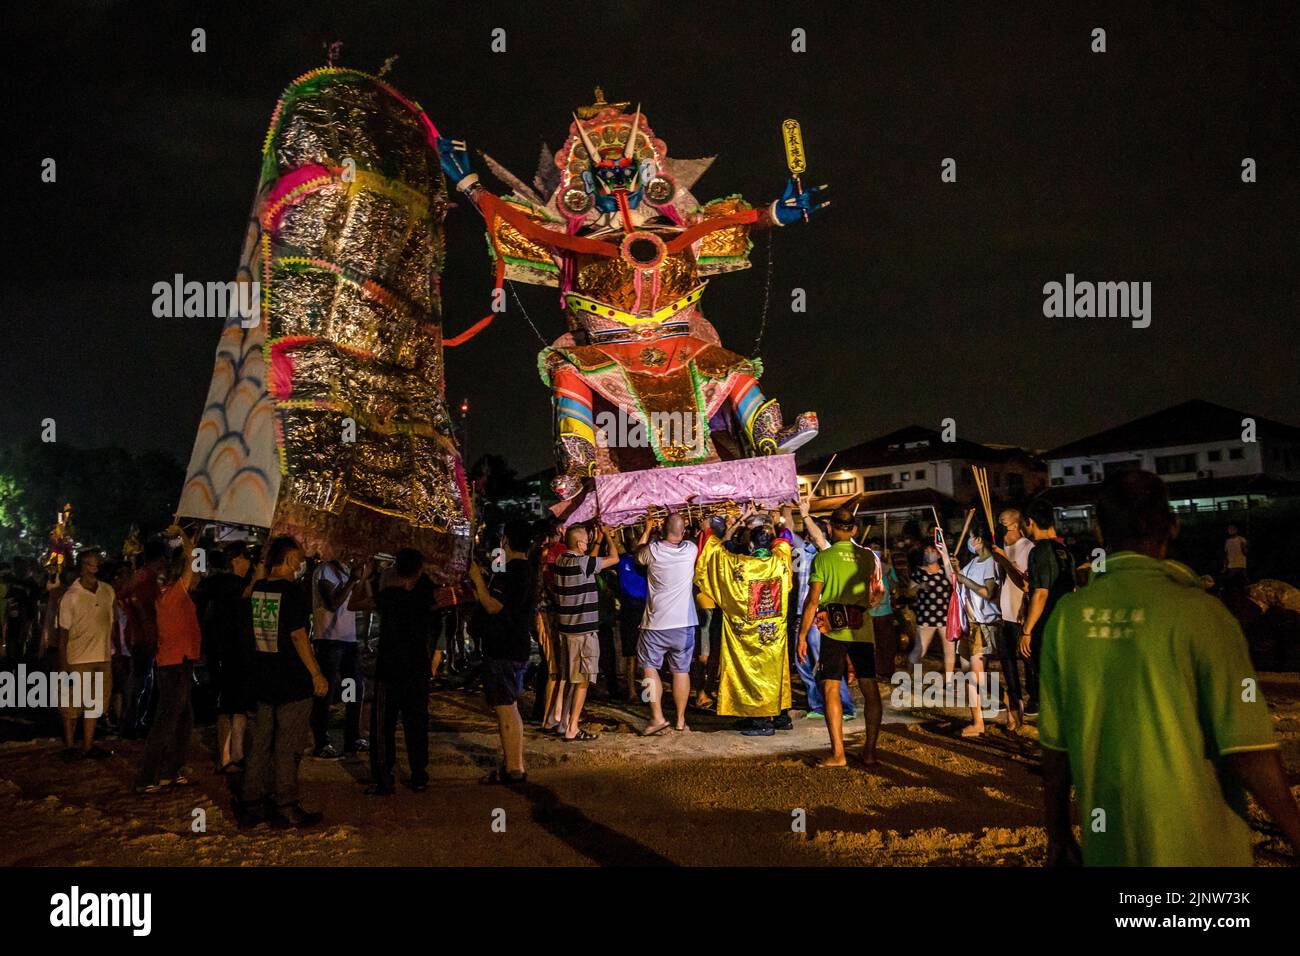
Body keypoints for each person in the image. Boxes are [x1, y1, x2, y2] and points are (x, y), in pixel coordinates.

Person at [1040, 470, 1300, 866]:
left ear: (1098, 532)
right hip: (1201, 850)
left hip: (1111, 849)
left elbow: (1055, 747)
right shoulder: (1203, 614)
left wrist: (1057, 834)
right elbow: (1246, 749)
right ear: (1173, 525)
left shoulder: (1067, 617)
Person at [237, 535, 327, 828]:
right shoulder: (292, 592)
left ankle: (251, 803)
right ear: (289, 559)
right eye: (299, 559)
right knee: (288, 746)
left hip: (261, 678)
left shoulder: (258, 589)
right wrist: (315, 673)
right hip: (291, 681)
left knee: (259, 744)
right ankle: (285, 804)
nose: (302, 563)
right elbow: (298, 635)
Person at [695, 504, 793, 736]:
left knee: (754, 673)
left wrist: (708, 530)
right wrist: (781, 517)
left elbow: (714, 555)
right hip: (773, 631)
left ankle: (760, 721)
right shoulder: (780, 559)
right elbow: (786, 537)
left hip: (747, 634)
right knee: (776, 670)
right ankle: (780, 716)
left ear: (749, 544)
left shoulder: (739, 566)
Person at [797, 507, 882, 766]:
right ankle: (869, 751)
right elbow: (877, 594)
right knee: (870, 688)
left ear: (831, 529)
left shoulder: (823, 559)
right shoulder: (867, 557)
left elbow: (813, 601)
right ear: (854, 530)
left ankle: (838, 753)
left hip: (833, 628)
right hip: (862, 628)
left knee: (830, 686)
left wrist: (802, 635)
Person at [352, 549, 430, 794]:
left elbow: (354, 604)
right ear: (420, 569)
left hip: (389, 668)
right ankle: (418, 775)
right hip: (417, 669)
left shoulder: (390, 596)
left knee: (383, 726)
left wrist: (365, 578)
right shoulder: (427, 593)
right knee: (416, 724)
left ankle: (384, 778)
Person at [135, 526, 203, 793]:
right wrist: (184, 538)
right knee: (166, 722)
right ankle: (147, 777)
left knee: (183, 719)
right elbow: (192, 559)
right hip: (175, 663)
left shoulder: (167, 595)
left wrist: (189, 541)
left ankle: (169, 771)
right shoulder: (175, 594)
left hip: (178, 661)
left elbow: (190, 561)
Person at [468, 520, 534, 785]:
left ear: (507, 541)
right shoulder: (525, 569)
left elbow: (495, 606)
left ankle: (514, 769)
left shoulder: (513, 571)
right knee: (511, 707)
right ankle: (515, 765)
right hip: (514, 646)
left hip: (503, 648)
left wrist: (477, 581)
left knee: (505, 708)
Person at [553, 524, 619, 741]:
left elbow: (588, 558)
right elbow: (614, 558)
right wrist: (608, 536)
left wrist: (596, 540)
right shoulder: (584, 563)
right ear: (581, 544)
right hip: (583, 632)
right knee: (582, 681)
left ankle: (563, 722)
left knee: (571, 678)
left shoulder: (562, 560)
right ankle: (573, 727)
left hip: (566, 630)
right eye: (586, 541)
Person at [790, 500, 854, 721]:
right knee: (802, 662)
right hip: (802, 615)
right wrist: (786, 509)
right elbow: (789, 529)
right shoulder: (804, 553)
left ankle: (844, 707)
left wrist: (805, 515)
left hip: (820, 616)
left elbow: (818, 537)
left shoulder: (827, 551)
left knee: (825, 662)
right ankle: (817, 705)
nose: (809, 535)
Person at [636, 512, 699, 735]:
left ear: (662, 528)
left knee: (648, 668)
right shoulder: (691, 550)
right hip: (684, 623)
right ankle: (681, 720)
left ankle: (657, 717)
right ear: (682, 532)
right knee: (681, 671)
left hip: (655, 623)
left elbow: (637, 555)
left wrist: (646, 529)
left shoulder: (652, 550)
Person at [198, 541, 255, 773]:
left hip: (236, 651)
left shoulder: (218, 583)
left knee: (239, 705)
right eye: (247, 558)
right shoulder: (222, 583)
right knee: (226, 705)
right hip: (225, 652)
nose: (249, 563)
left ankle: (238, 753)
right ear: (236, 560)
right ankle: (225, 757)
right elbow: (244, 594)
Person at [55, 550, 116, 761]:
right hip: (77, 659)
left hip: (102, 656)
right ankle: (71, 746)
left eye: (97, 563)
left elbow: (111, 624)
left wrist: (112, 652)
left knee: (95, 704)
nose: (95, 567)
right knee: (72, 706)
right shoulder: (70, 596)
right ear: (82, 566)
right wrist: (63, 665)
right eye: (90, 563)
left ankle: (88, 745)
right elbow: (62, 633)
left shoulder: (107, 591)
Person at [1018, 497, 1074, 715]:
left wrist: (1027, 630)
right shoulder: (1065, 550)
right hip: (1064, 622)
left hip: (1046, 625)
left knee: (1045, 676)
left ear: (1030, 522)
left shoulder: (1039, 551)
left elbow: (1041, 593)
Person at [310, 558, 368, 758]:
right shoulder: (325, 570)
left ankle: (352, 737)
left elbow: (357, 602)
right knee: (327, 691)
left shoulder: (346, 569)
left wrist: (363, 577)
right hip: (328, 639)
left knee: (353, 686)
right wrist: (352, 580)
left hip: (347, 639)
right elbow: (333, 603)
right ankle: (321, 741)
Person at [954, 527, 1002, 737]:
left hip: (984, 624)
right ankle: (980, 718)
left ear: (979, 540)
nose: (969, 541)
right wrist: (954, 568)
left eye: (971, 537)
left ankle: (981, 719)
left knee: (975, 677)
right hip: (969, 624)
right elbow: (956, 581)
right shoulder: (973, 562)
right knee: (969, 674)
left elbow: (988, 592)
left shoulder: (991, 563)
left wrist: (966, 581)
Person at [991, 509, 1032, 731]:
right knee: (1008, 668)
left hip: (1020, 616)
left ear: (1016, 525)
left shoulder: (1027, 548)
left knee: (1028, 666)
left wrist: (1005, 560)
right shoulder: (1001, 549)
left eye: (1003, 524)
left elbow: (1025, 584)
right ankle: (1015, 713)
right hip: (1003, 616)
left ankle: (1033, 713)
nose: (999, 528)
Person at [120, 541, 165, 737]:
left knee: (142, 679)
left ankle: (135, 720)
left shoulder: (139, 576)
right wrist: (141, 618)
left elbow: (122, 597)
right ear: (161, 559)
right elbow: (144, 605)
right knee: (141, 681)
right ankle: (132, 723)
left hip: (139, 635)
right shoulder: (147, 579)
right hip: (144, 637)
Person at [908, 544, 955, 678]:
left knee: (949, 650)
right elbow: (909, 592)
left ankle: (949, 681)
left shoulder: (945, 572)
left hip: (946, 617)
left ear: (939, 554)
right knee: (919, 651)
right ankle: (912, 676)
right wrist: (919, 586)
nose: (929, 553)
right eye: (926, 551)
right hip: (926, 617)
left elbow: (954, 584)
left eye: (932, 551)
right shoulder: (919, 572)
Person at [614, 529, 648, 702]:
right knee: (633, 655)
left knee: (640, 655)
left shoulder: (639, 561)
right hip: (634, 611)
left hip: (640, 610)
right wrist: (648, 528)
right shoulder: (627, 561)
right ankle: (635, 692)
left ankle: (641, 693)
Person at [866, 538, 900, 681]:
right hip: (868, 613)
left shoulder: (886, 568)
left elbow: (894, 587)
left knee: (886, 645)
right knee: (870, 646)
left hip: (885, 612)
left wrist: (888, 567)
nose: (875, 550)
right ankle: (871, 672)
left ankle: (886, 672)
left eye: (877, 547)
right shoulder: (864, 567)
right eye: (872, 547)